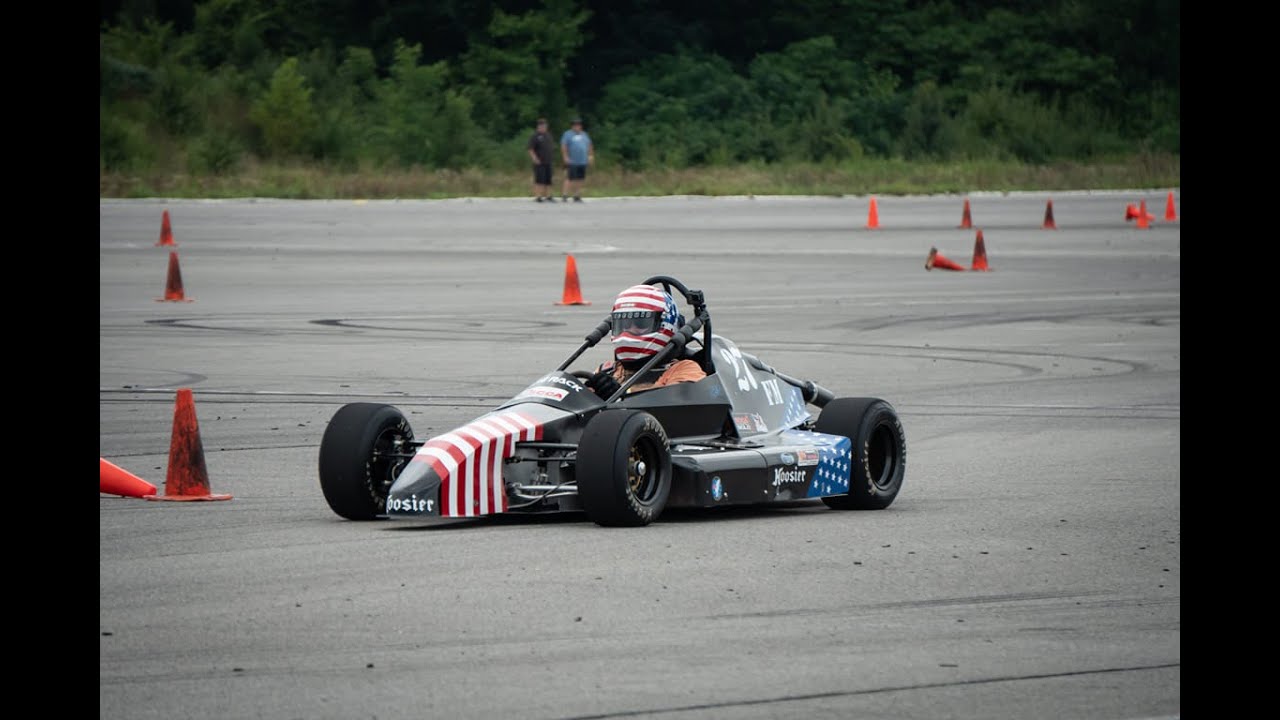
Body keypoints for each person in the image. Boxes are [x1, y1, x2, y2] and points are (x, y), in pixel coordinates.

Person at [585, 284, 707, 398]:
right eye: (625, 324)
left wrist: (619, 395)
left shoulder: (685, 369)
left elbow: (669, 407)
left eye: (640, 324)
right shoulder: (607, 370)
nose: (629, 331)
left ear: (665, 325)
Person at [560, 117, 594, 202]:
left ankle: (577, 195)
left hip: (582, 160)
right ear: (572, 126)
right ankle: (565, 195)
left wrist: (590, 156)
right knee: (570, 178)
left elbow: (589, 145)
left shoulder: (584, 134)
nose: (577, 126)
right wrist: (565, 156)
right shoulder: (567, 134)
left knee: (580, 178)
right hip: (572, 160)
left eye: (578, 125)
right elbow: (564, 146)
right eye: (575, 125)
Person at [527, 118, 557, 202]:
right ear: (538, 126)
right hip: (539, 162)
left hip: (549, 161)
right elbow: (530, 148)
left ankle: (549, 196)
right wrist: (534, 158)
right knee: (539, 180)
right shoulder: (535, 136)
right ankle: (538, 196)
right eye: (542, 125)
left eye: (545, 125)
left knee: (549, 180)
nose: (544, 127)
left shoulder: (548, 135)